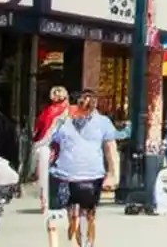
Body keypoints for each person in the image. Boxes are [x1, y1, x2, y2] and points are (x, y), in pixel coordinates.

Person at [46, 90, 119, 247]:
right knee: (83, 214)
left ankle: (82, 239)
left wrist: (113, 174)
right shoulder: (64, 121)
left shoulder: (101, 122)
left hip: (80, 176)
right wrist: (113, 174)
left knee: (82, 214)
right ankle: (82, 238)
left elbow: (110, 148)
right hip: (75, 176)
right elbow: (110, 149)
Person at [31, 87, 70, 207]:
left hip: (46, 144)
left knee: (44, 173)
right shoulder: (71, 111)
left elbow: (38, 128)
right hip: (63, 147)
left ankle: (45, 199)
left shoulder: (48, 111)